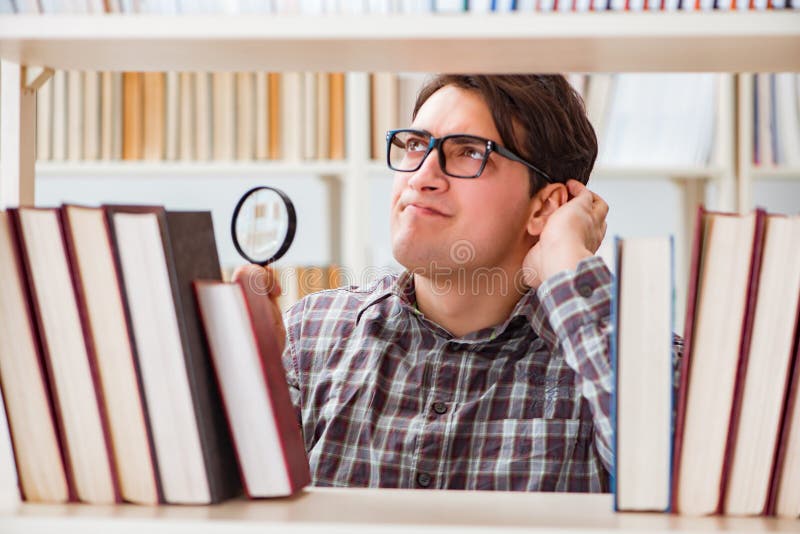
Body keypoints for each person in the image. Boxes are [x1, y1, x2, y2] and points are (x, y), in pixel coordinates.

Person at [237, 74, 682, 492]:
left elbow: (680, 473)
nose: (421, 177)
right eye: (415, 145)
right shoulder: (308, 336)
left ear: (545, 207)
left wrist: (568, 256)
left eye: (469, 152)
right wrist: (241, 380)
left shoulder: (620, 356)